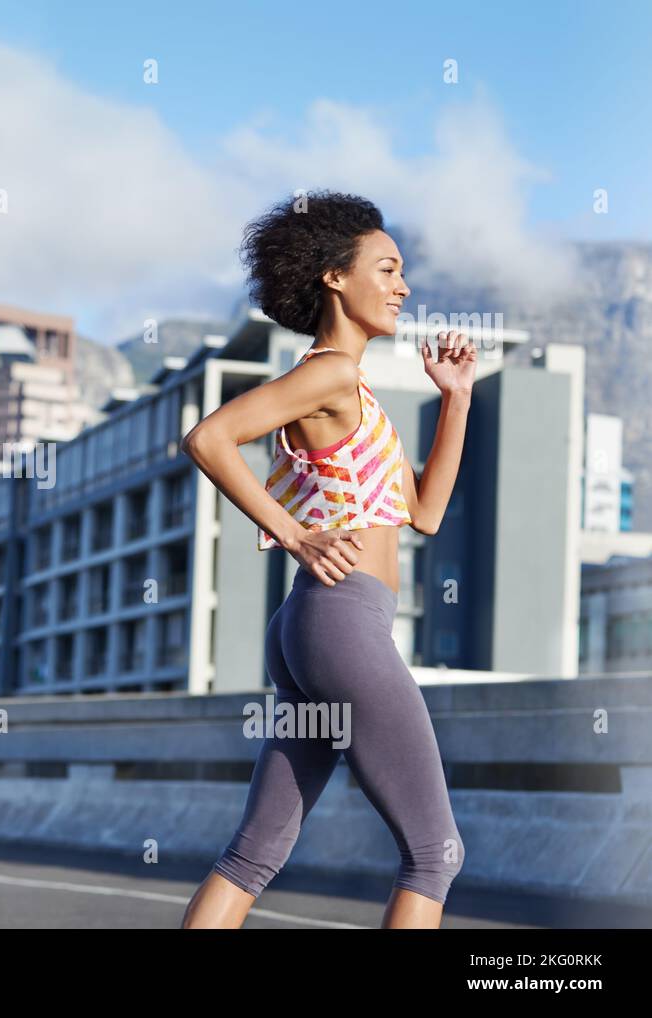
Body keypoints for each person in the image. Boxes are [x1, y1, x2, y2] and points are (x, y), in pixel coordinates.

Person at [179, 191, 475, 929]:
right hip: (342, 624)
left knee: (252, 856)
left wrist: (457, 400)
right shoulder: (332, 374)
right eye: (388, 267)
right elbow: (209, 438)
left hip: (312, 629)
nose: (403, 285)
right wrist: (295, 533)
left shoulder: (358, 393)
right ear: (335, 278)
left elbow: (425, 514)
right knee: (434, 855)